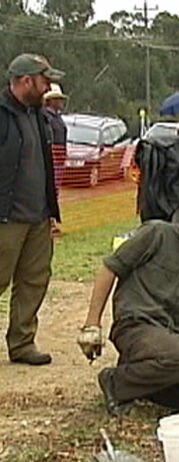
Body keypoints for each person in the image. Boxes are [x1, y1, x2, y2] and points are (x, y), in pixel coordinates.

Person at [76, 190, 179, 416]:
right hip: (134, 324)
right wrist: (92, 324)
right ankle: (115, 382)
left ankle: (142, 380)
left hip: (171, 337)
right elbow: (110, 267)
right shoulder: (157, 233)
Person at [0, 53, 64, 366]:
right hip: (5, 217)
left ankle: (22, 343)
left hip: (38, 216)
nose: (48, 86)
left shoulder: (38, 114)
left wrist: (51, 209)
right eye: (44, 80)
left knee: (34, 279)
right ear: (27, 81)